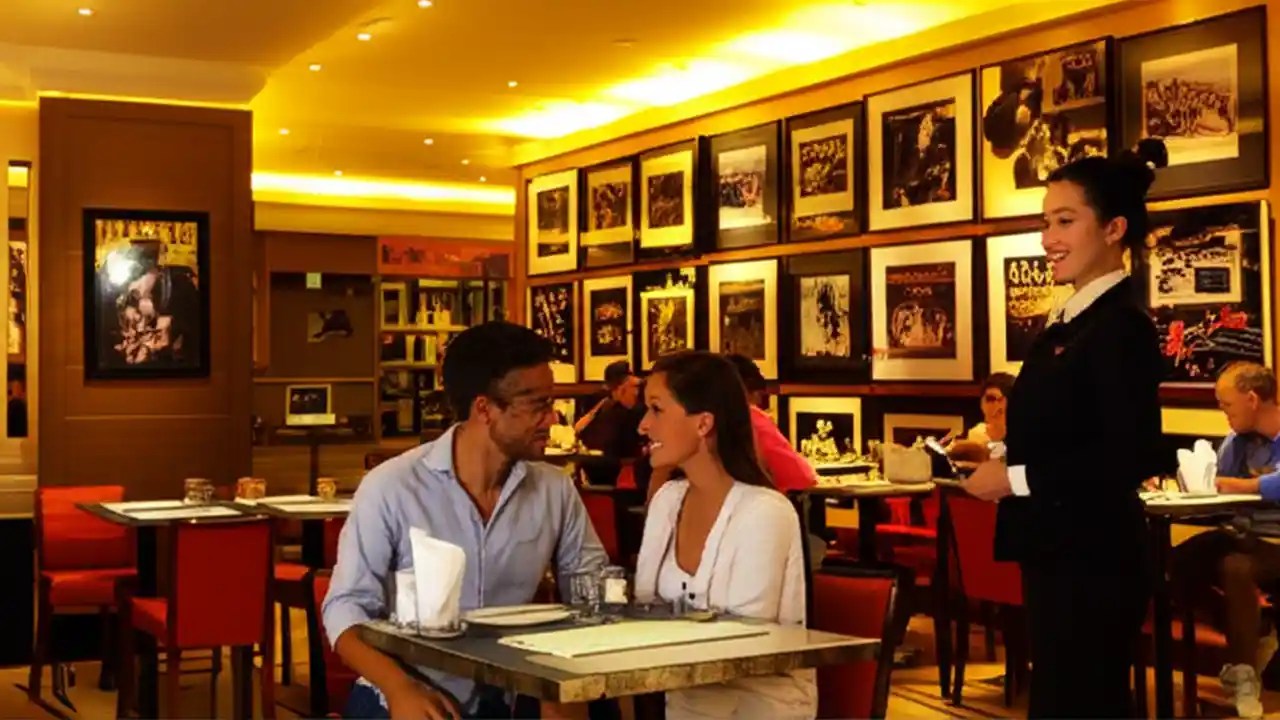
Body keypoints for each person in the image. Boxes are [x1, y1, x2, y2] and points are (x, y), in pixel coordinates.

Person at [963, 140, 1173, 718]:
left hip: (1095, 559)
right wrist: (1001, 457)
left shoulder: (1120, 326)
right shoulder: (1072, 320)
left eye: (1064, 221)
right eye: (1044, 223)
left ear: (1114, 229)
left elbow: (1129, 453)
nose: (1048, 238)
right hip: (1058, 552)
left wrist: (1015, 478)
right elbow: (1066, 430)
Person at [323, 321, 608, 719]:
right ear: (484, 409)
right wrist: (401, 689)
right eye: (538, 406)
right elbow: (345, 607)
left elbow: (592, 590)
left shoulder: (554, 490)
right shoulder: (393, 486)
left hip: (510, 693)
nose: (552, 420)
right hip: (406, 688)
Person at [634, 351, 816, 719]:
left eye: (656, 409)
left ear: (704, 423)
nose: (643, 425)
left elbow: (741, 642)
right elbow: (640, 610)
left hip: (757, 710)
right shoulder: (667, 501)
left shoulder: (765, 512)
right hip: (683, 706)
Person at [1171, 362, 1280, 718]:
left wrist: (1242, 486)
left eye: (1227, 405)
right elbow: (1217, 484)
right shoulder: (1236, 442)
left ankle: (1245, 673)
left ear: (1252, 400)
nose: (1224, 414)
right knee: (1172, 564)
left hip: (1275, 543)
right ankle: (1253, 633)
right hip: (1242, 537)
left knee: (1235, 567)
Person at [575, 360, 645, 486]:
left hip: (603, 471)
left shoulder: (635, 410)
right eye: (634, 387)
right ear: (620, 389)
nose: (637, 392)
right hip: (614, 474)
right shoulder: (606, 408)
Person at [948, 372, 1015, 463]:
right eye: (990, 399)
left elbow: (1004, 469)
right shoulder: (977, 433)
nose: (996, 406)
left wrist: (997, 441)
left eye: (1001, 400)